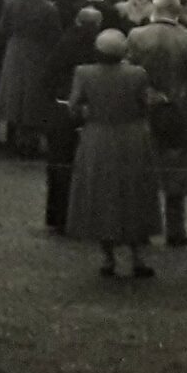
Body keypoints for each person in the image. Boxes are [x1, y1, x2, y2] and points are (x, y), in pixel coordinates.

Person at [65, 28, 161, 280]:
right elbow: (146, 104)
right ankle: (138, 256)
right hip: (132, 137)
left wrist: (88, 114)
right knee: (134, 193)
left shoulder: (84, 73)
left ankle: (108, 258)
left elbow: (73, 107)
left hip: (97, 137)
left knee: (101, 194)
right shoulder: (137, 74)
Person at [127, 0, 187, 249]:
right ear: (177, 9)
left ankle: (140, 227)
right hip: (178, 112)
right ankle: (175, 230)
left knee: (142, 172)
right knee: (176, 174)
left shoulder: (136, 36)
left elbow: (128, 72)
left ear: (154, 7)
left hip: (142, 110)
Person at [45, 7, 104, 233]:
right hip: (91, 111)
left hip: (63, 107)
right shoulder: (98, 48)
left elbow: (48, 75)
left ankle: (58, 216)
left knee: (60, 163)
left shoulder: (65, 42)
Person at [0, 0, 61, 158]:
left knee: (12, 91)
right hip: (37, 51)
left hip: (14, 48)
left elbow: (2, 27)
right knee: (32, 94)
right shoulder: (49, 8)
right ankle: (29, 139)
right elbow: (54, 34)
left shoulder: (10, 2)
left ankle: (11, 133)